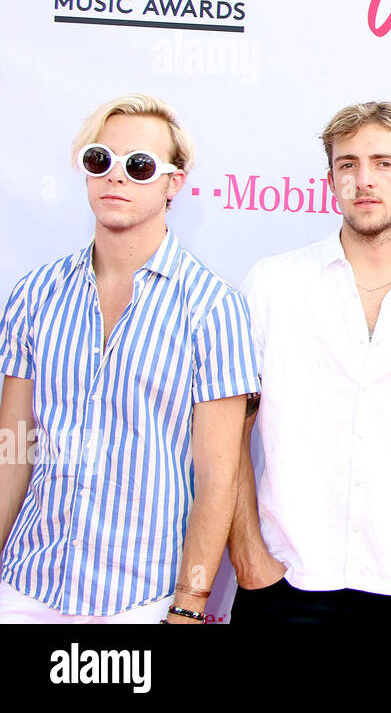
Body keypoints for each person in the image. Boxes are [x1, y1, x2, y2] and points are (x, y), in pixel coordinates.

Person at [226, 102, 391, 623]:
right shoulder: (272, 286)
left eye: (383, 163)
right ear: (331, 181)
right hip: (280, 582)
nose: (364, 179)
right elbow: (227, 433)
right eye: (348, 164)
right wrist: (249, 556)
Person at [0, 93, 256, 623]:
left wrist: (187, 608)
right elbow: (12, 452)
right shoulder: (34, 294)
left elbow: (218, 477)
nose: (116, 177)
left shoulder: (213, 308)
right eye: (100, 159)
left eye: (139, 166)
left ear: (173, 183)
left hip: (141, 599)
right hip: (27, 585)